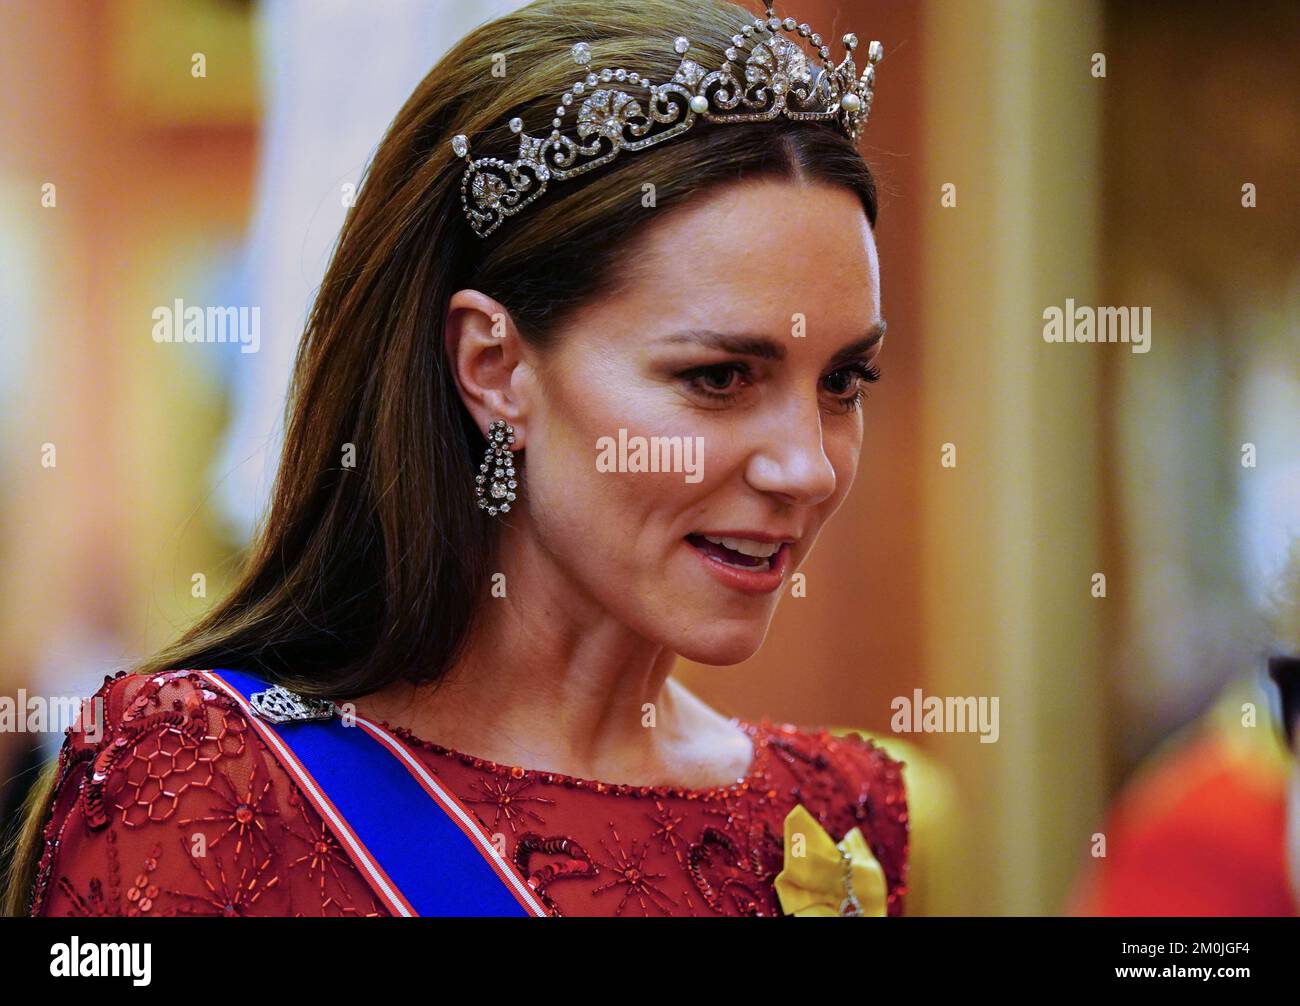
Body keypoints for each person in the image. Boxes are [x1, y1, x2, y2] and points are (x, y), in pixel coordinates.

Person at [4, 0, 907, 917]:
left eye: (843, 381)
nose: (808, 468)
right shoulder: (214, 785)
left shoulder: (838, 815)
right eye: (719, 377)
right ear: (494, 364)